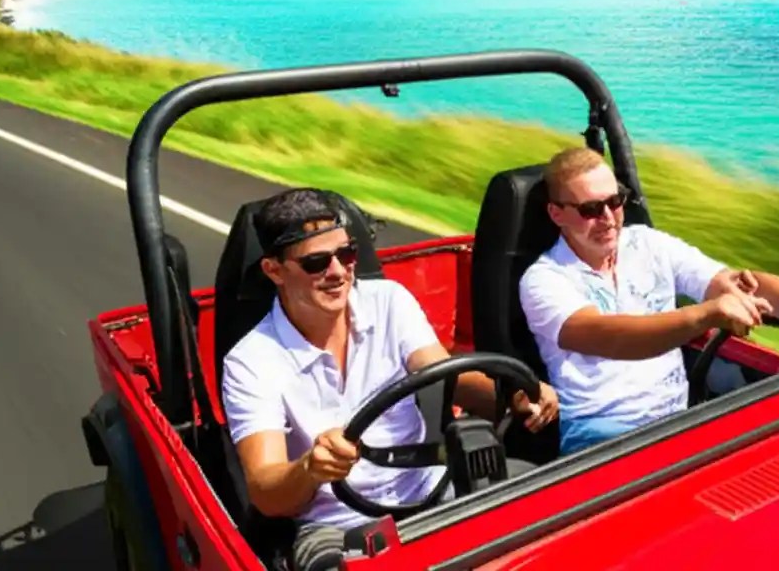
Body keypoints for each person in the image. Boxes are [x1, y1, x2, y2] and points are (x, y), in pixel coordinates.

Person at [222, 188, 558, 569]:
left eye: (347, 254)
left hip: (433, 491)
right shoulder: (250, 361)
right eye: (316, 262)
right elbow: (266, 490)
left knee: (550, 521)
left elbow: (449, 376)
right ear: (274, 271)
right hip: (339, 526)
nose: (337, 272)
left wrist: (516, 393)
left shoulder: (388, 301)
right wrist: (309, 469)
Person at [518, 148, 779, 456]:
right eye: (589, 209)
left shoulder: (648, 244)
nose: (607, 218)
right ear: (557, 213)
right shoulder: (545, 279)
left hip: (680, 424)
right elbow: (609, 337)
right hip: (602, 442)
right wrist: (704, 315)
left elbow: (737, 285)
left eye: (614, 202)